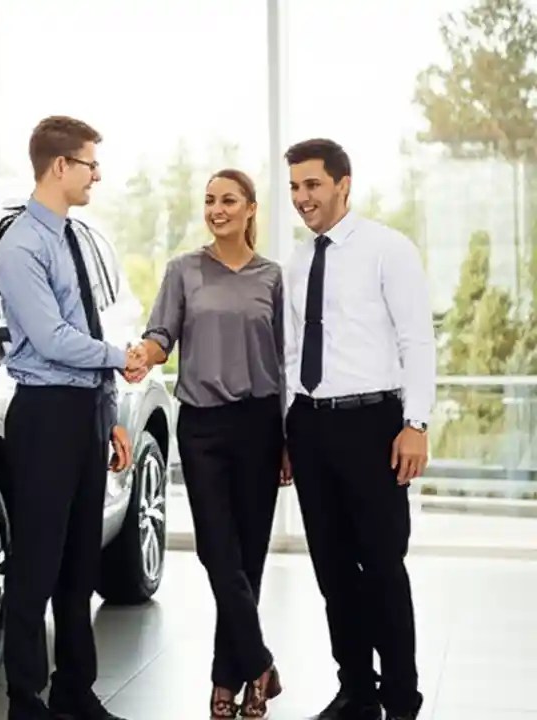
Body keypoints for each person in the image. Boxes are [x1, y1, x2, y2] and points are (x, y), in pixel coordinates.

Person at [0, 115, 143, 720]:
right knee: (36, 565)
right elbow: (53, 339)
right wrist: (120, 358)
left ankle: (75, 692)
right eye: (89, 164)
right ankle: (27, 700)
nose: (97, 175)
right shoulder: (21, 244)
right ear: (60, 167)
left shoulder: (73, 237)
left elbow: (87, 327)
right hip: (45, 415)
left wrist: (109, 413)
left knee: (81, 561)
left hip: (83, 411)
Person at [127, 169, 289, 719]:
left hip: (262, 426)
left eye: (228, 201)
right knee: (217, 553)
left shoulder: (273, 277)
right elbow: (161, 335)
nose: (216, 210)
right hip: (202, 427)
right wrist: (144, 354)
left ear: (249, 209)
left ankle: (230, 682)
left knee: (249, 560)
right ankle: (262, 663)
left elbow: (287, 364)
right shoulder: (183, 271)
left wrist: (289, 437)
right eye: (209, 201)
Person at [281, 138, 433, 720]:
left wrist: (415, 422)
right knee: (333, 569)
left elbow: (416, 339)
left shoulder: (387, 250)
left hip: (374, 424)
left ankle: (400, 696)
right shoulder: (298, 262)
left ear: (344, 184)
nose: (302, 198)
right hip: (310, 426)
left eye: (312, 185)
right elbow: (291, 353)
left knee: (383, 566)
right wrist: (285, 435)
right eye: (294, 187)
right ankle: (356, 690)